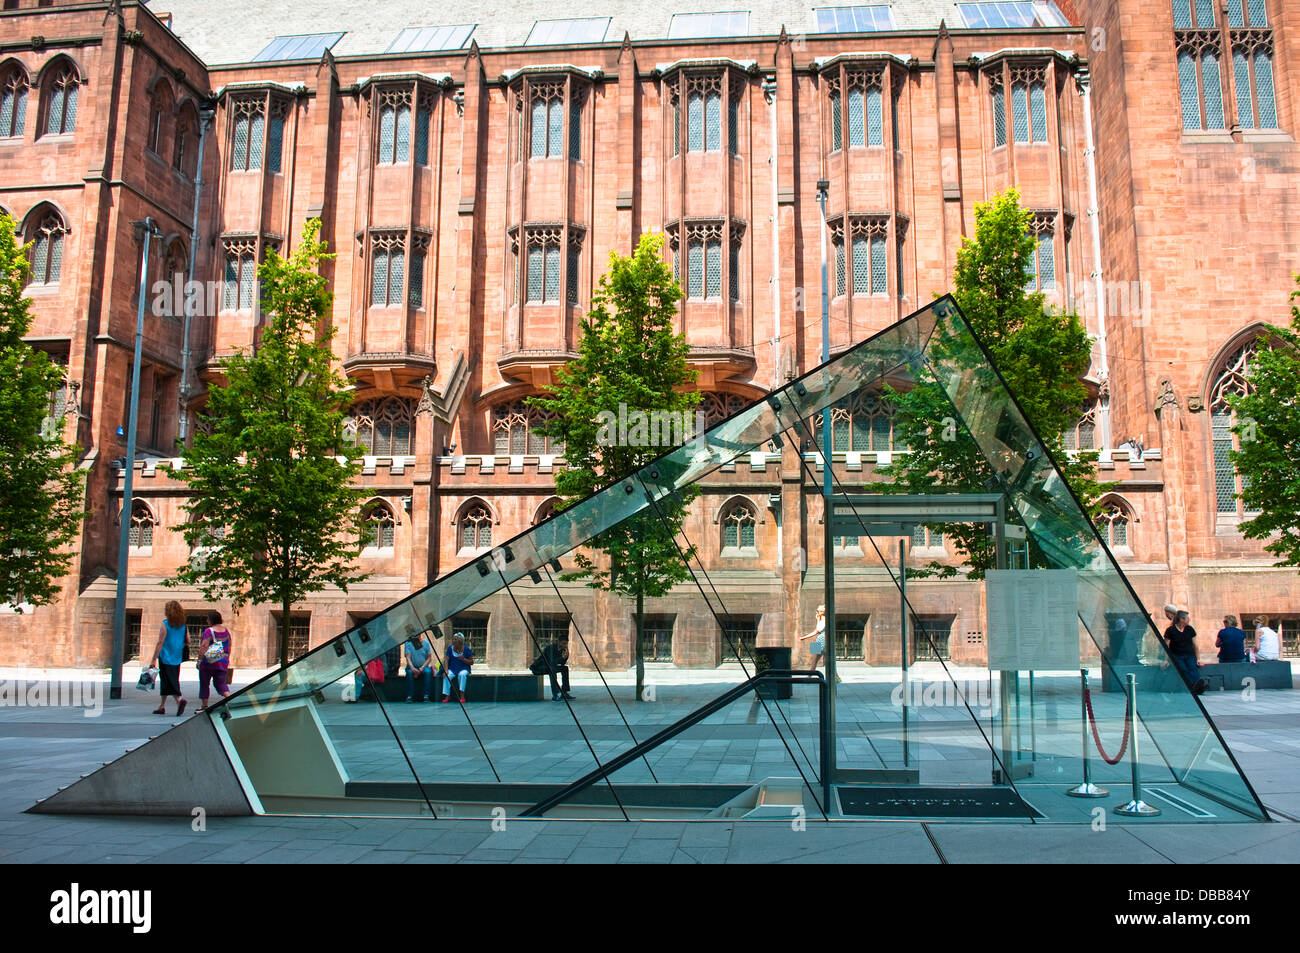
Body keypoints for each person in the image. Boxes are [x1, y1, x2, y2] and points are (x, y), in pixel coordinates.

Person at [148, 600, 188, 716]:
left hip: (165, 656)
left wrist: (153, 658)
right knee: (169, 679)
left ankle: (179, 700)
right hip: (177, 656)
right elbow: (188, 640)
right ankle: (162, 706)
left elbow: (160, 641)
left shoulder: (165, 624)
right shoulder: (183, 625)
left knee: (169, 680)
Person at [196, 610, 233, 711]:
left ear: (211, 620)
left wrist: (199, 660)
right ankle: (230, 699)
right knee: (221, 683)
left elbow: (204, 646)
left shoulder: (209, 631)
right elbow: (229, 645)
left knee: (204, 683)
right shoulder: (226, 631)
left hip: (209, 662)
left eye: (208, 619)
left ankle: (204, 705)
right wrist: (227, 659)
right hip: (222, 662)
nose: (207, 621)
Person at [1163, 609, 1205, 695]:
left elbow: (1195, 645)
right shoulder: (1170, 630)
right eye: (1187, 618)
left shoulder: (1190, 629)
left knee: (1193, 668)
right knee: (1183, 669)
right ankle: (1193, 686)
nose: (1189, 620)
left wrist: (1198, 659)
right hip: (1177, 655)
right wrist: (1165, 659)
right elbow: (1166, 646)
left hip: (1190, 655)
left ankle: (1196, 685)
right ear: (1181, 619)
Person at [533, 635, 573, 701]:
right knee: (552, 670)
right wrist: (562, 657)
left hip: (549, 666)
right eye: (563, 643)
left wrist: (566, 657)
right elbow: (552, 662)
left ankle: (564, 692)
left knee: (565, 668)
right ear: (558, 642)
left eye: (566, 644)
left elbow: (561, 663)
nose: (565, 645)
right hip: (539, 667)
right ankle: (555, 695)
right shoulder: (550, 648)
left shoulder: (562, 649)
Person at [441, 632, 473, 703]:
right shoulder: (450, 648)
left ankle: (462, 696)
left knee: (462, 675)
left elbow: (471, 662)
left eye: (455, 640)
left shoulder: (466, 649)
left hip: (464, 668)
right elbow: (446, 660)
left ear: (460, 642)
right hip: (453, 668)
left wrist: (463, 659)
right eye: (453, 639)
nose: (453, 641)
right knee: (447, 676)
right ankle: (447, 695)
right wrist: (446, 670)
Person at [404, 631, 435, 702]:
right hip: (412, 667)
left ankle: (426, 695)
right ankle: (409, 696)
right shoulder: (408, 643)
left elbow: (429, 658)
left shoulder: (426, 643)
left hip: (423, 667)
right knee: (409, 673)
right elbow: (408, 658)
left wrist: (422, 668)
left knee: (428, 672)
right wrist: (413, 668)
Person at [799, 604, 827, 671]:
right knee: (815, 659)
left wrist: (803, 638)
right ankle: (836, 676)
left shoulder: (824, 620)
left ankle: (810, 674)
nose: (816, 613)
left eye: (818, 611)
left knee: (815, 659)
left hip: (821, 640)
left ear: (822, 612)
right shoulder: (820, 619)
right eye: (817, 611)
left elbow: (816, 631)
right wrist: (817, 619)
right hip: (819, 639)